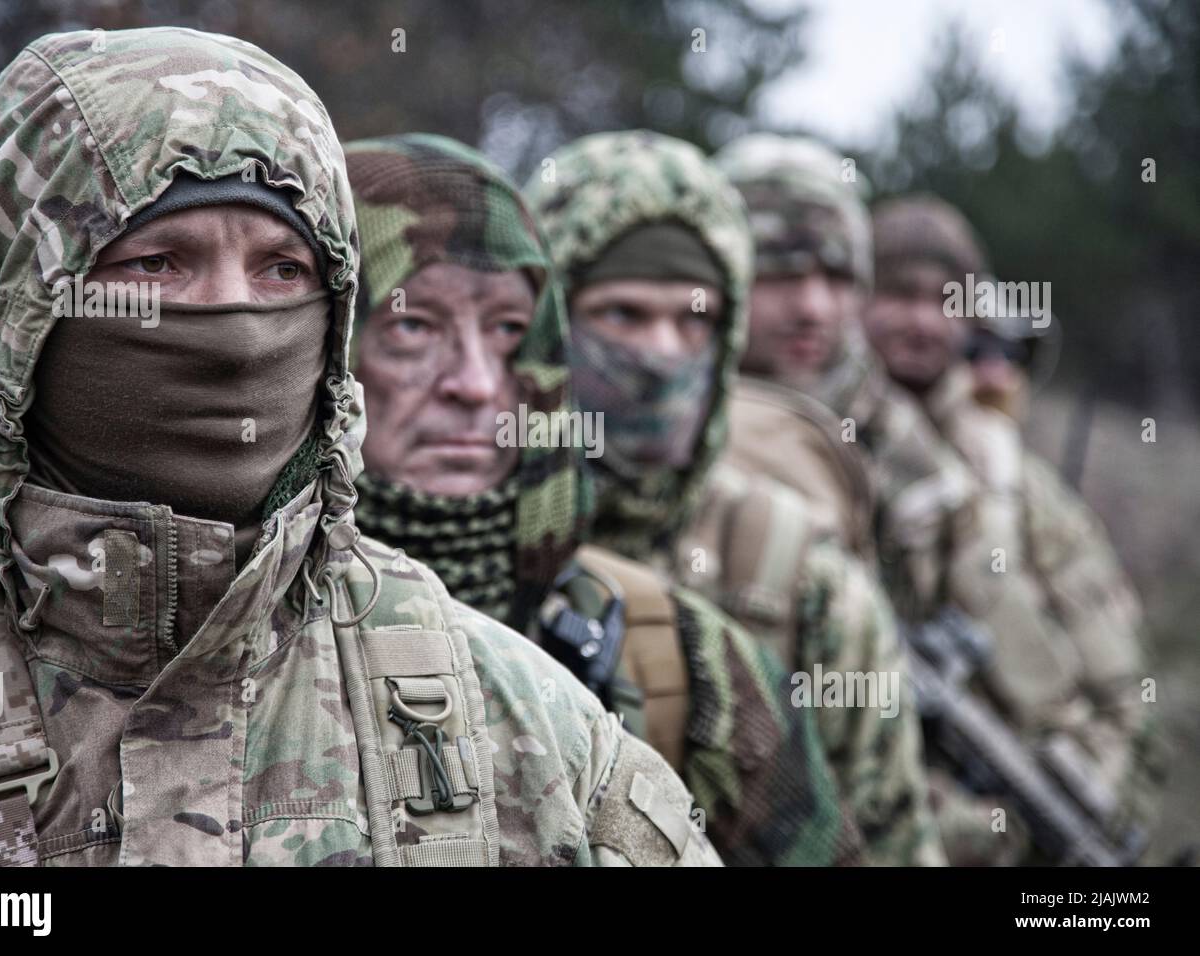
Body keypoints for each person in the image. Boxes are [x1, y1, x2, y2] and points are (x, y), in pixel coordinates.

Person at [0, 27, 719, 868]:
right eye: (157, 263)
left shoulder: (523, 725)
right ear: (22, 312)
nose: (234, 326)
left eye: (282, 269)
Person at [343, 132, 863, 866]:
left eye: (509, 332)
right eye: (413, 326)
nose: (478, 384)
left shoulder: (687, 658)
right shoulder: (206, 638)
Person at [525, 130, 945, 865]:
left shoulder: (802, 573)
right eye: (623, 314)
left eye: (693, 320)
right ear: (546, 324)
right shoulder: (457, 541)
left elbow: (892, 843)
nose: (661, 353)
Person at [864, 195, 1163, 862]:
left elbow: (1120, 693)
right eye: (896, 294)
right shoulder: (822, 450)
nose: (919, 319)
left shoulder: (1017, 487)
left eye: (944, 299)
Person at [712, 135, 976, 626]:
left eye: (837, 278)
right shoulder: (667, 424)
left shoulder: (896, 437)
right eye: (779, 275)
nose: (813, 308)